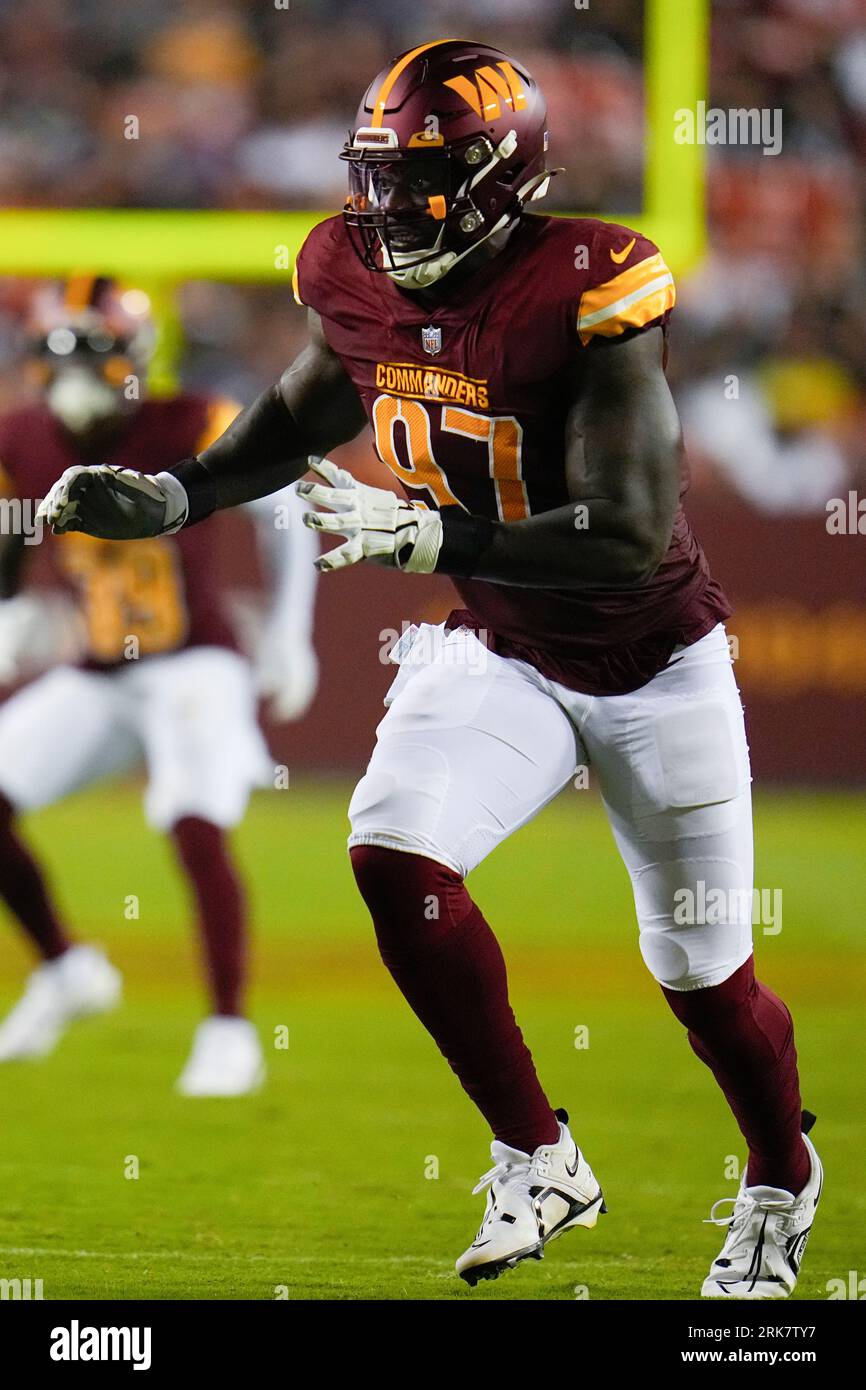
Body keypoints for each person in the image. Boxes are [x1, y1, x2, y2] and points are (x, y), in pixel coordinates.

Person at [37, 42, 821, 1296]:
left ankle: (779, 1174)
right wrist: (176, 495)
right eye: (377, 176)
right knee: (392, 851)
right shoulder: (347, 270)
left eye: (420, 177)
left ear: (501, 176)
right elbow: (303, 414)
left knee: (705, 982)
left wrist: (428, 536)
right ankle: (537, 1152)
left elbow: (625, 529)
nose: (387, 205)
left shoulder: (588, 281)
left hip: (651, 662)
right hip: (502, 646)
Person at [0, 275, 318, 1094]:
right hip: (101, 671)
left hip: (193, 659)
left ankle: (229, 1028)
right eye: (60, 356)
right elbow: (6, 529)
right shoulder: (21, 435)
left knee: (194, 824)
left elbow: (285, 511)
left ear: (134, 359)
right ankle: (66, 970)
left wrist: (289, 632)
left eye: (92, 356)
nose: (73, 376)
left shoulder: (189, 420)